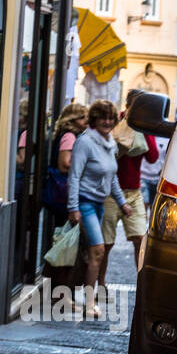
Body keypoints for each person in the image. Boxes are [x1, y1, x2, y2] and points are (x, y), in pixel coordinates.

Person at [66, 99, 131, 319]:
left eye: (110, 118)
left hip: (99, 204)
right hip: (84, 203)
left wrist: (122, 202)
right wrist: (73, 207)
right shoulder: (85, 142)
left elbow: (111, 177)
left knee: (89, 253)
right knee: (98, 251)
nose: (107, 121)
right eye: (102, 117)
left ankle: (73, 296)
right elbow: (73, 176)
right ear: (94, 119)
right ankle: (89, 302)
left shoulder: (109, 142)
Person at [99, 90, 157, 291]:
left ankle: (142, 286)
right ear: (129, 106)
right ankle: (100, 284)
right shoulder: (116, 124)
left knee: (140, 241)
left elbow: (153, 157)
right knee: (106, 244)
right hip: (110, 193)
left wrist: (145, 130)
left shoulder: (143, 128)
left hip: (133, 193)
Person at [45, 102, 88, 233]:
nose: (86, 120)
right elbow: (65, 164)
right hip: (65, 191)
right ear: (71, 119)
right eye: (82, 117)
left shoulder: (69, 135)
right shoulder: (69, 136)